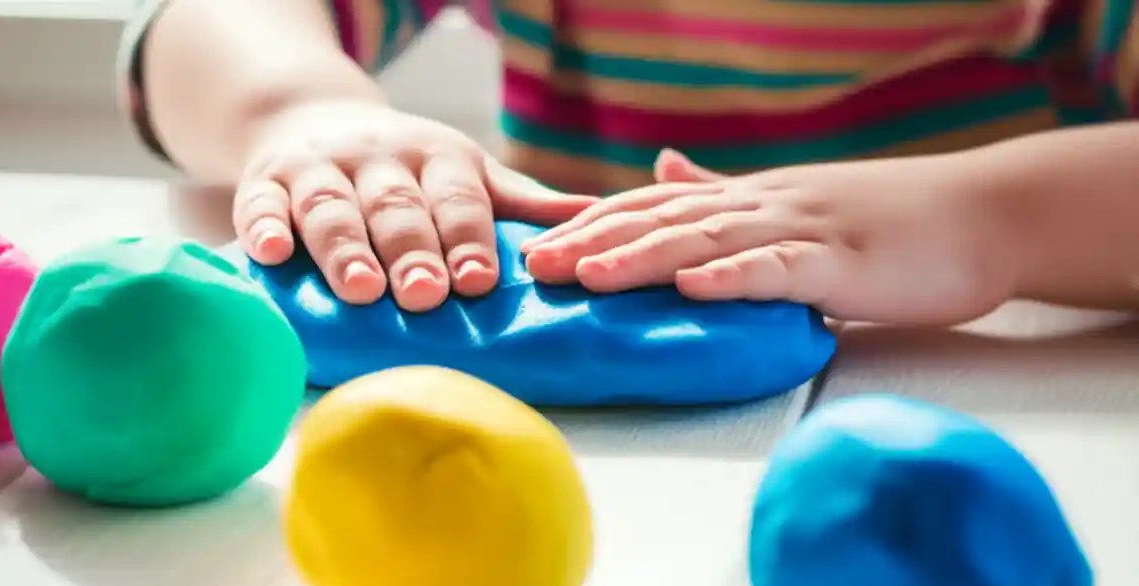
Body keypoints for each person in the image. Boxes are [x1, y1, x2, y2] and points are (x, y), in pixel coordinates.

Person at [118, 0, 1139, 324]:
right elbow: (198, 23)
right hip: (587, 444)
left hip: (988, 394)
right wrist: (298, 108)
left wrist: (992, 221)